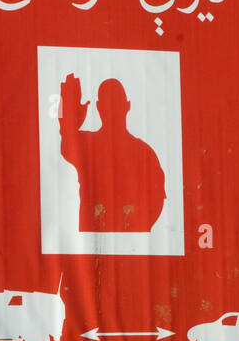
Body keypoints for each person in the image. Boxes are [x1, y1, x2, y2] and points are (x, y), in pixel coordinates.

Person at [59, 74, 167, 232]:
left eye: (115, 103)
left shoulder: (145, 153)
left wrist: (134, 227)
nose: (111, 109)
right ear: (98, 107)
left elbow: (157, 199)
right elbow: (67, 144)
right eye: (107, 104)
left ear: (127, 106)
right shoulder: (87, 144)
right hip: (95, 238)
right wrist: (69, 117)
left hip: (130, 241)